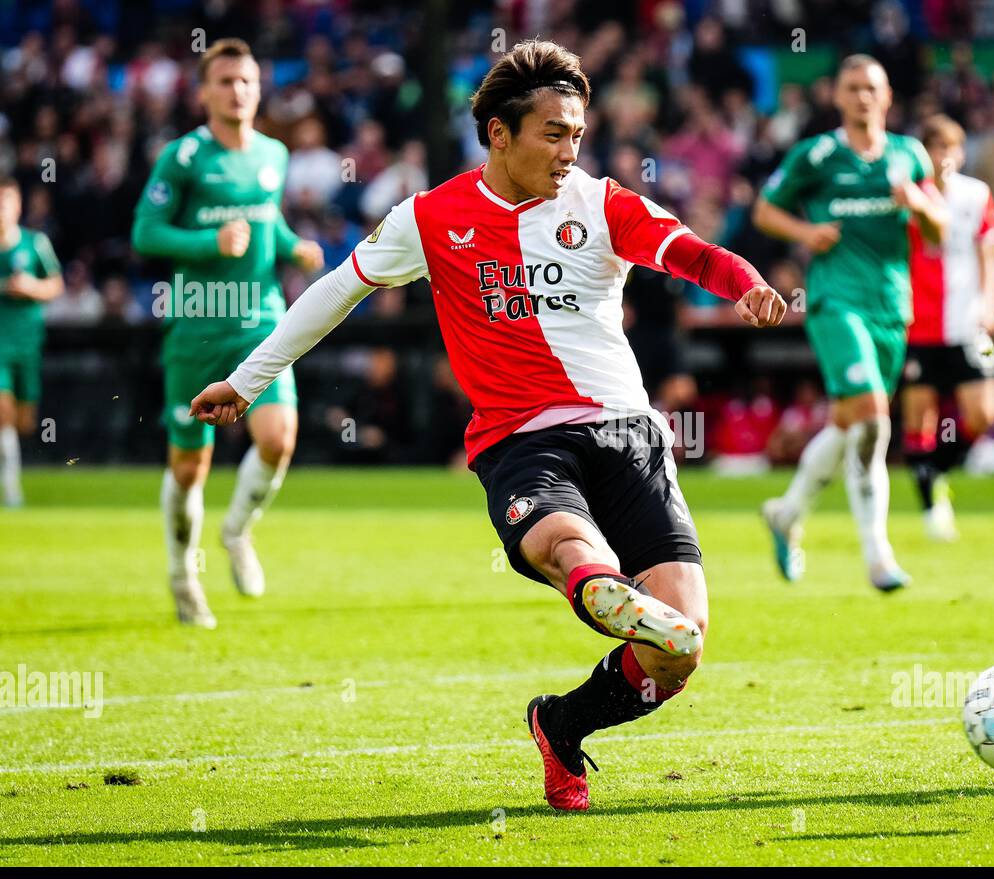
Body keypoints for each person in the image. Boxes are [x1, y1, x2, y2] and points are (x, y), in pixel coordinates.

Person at [189, 40, 786, 812]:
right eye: (552, 133)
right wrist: (246, 382)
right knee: (572, 548)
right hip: (522, 440)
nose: (570, 150)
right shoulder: (432, 218)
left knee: (680, 647)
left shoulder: (603, 204)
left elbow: (691, 254)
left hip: (628, 435)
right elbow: (335, 293)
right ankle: (597, 587)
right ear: (500, 134)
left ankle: (561, 723)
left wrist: (746, 282)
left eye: (577, 133)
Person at [131, 38, 324, 628]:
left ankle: (237, 531)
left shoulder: (274, 153)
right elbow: (145, 233)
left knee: (278, 439)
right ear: (203, 92)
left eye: (246, 81)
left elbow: (268, 222)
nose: (237, 90)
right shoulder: (183, 158)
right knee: (191, 466)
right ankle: (182, 574)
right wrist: (205, 244)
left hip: (262, 323)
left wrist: (293, 247)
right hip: (197, 328)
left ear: (258, 89)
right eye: (224, 81)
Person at [754, 54, 948, 590]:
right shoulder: (817, 154)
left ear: (887, 98)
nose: (862, 96)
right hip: (835, 302)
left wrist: (921, 206)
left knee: (849, 426)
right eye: (852, 87)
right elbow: (764, 210)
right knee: (873, 418)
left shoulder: (910, 155)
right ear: (837, 96)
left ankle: (787, 513)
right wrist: (805, 233)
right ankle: (878, 557)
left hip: (891, 306)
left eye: (871, 88)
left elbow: (938, 231)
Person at [899, 115, 994, 541]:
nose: (944, 156)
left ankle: (937, 471)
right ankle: (929, 508)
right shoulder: (906, 196)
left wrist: (990, 305)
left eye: (952, 147)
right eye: (936, 147)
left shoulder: (976, 195)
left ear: (961, 153)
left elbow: (989, 256)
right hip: (916, 325)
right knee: (918, 420)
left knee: (985, 414)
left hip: (967, 322)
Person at [0, 177, 64, 507]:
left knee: (25, 422)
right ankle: (11, 489)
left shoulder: (34, 243)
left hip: (27, 344)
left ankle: (10, 472)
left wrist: (30, 287)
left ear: (17, 206)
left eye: (6, 203)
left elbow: (56, 285)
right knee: (3, 412)